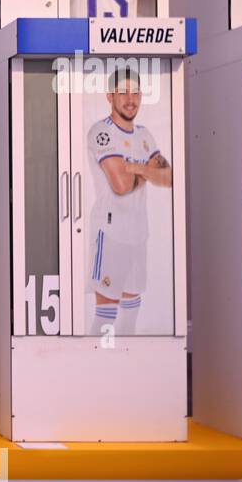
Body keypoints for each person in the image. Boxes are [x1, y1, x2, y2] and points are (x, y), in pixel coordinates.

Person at [86, 66, 171, 336]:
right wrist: (147, 170)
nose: (130, 98)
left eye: (135, 92)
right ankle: (92, 371)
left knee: (131, 314)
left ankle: (124, 370)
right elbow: (120, 185)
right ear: (109, 96)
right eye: (123, 92)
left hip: (139, 234)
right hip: (110, 234)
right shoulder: (102, 132)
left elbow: (168, 177)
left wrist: (134, 167)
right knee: (106, 316)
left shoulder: (144, 135)